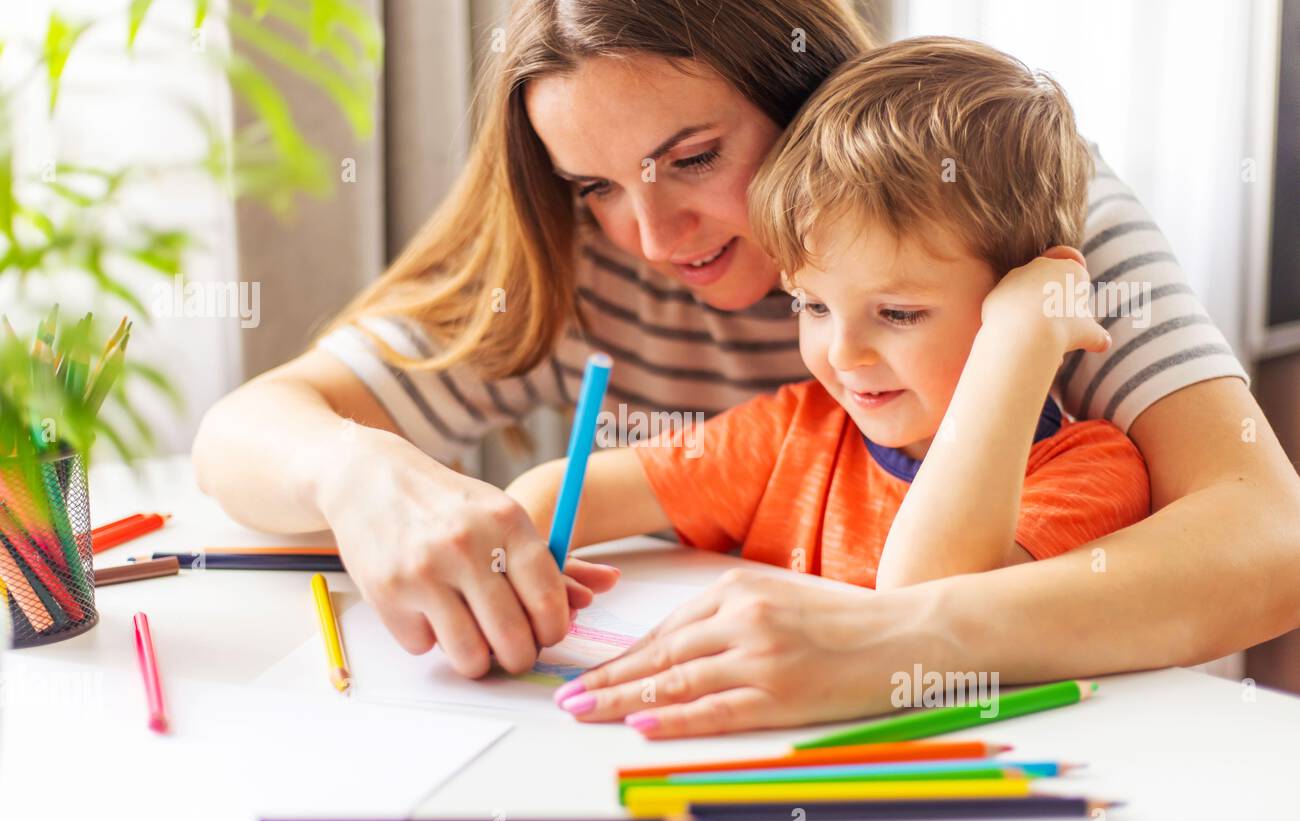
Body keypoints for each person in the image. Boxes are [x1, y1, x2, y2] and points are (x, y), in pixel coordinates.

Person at [192, 0, 1300, 737]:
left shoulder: (1015, 211)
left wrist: (900, 642)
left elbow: (1265, 536)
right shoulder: (576, 254)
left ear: (806, 96)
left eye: (693, 160)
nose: (652, 234)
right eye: (595, 185)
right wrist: (360, 472)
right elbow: (242, 433)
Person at [505, 37, 1151, 729]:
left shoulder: (1091, 476)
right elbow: (560, 495)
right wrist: (513, 562)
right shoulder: (795, 430)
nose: (842, 352)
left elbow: (923, 595)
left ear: (1022, 292)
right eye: (812, 305)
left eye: (898, 312)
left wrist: (1022, 338)